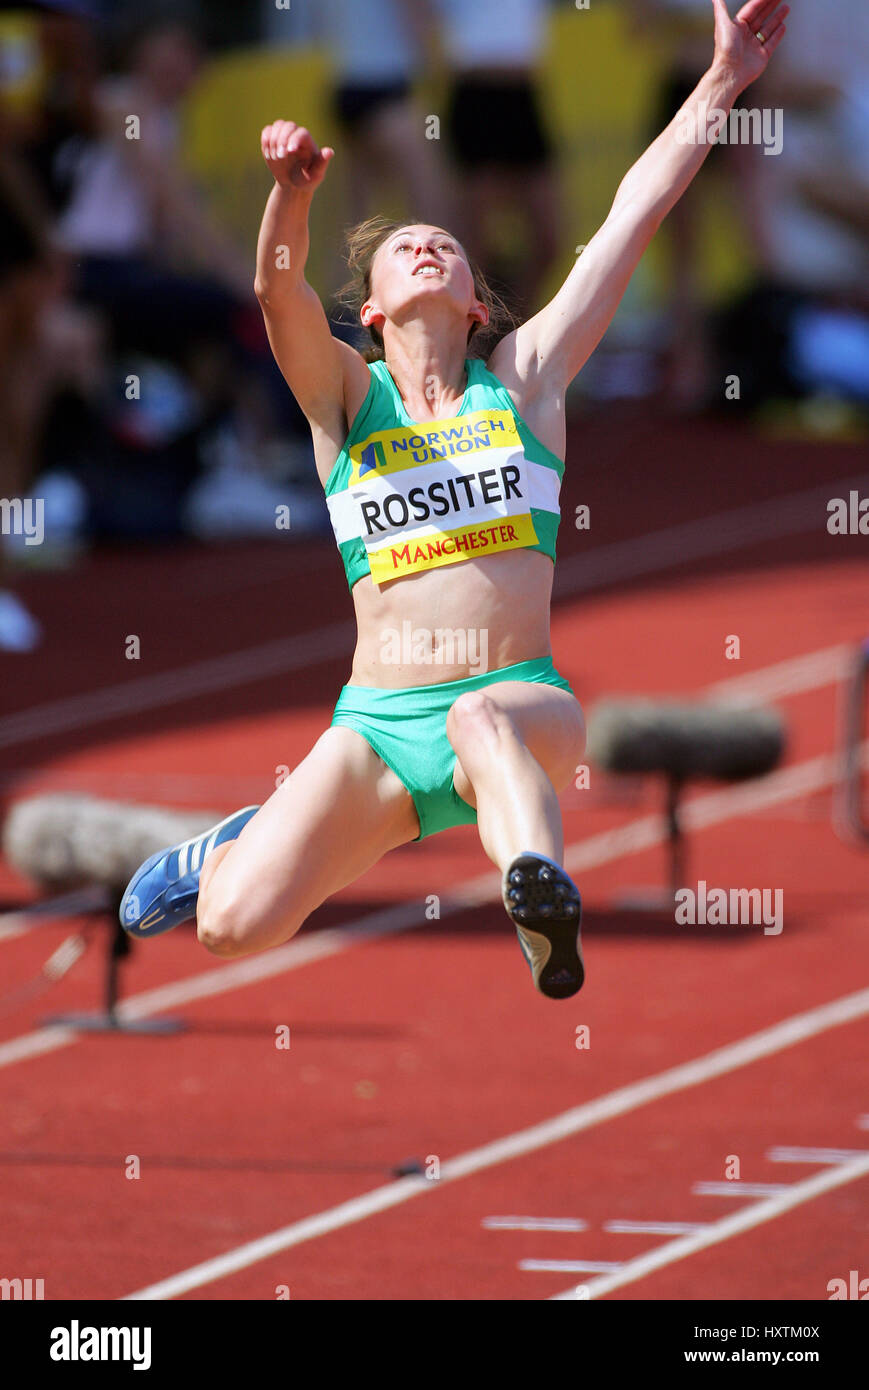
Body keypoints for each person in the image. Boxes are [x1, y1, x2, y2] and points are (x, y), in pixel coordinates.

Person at [119, 0, 788, 1000]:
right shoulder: (346, 398)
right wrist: (291, 194)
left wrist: (722, 79)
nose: (427, 245)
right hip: (376, 727)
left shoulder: (524, 378)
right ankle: (244, 841)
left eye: (446, 243)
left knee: (479, 714)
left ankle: (538, 902)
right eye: (404, 247)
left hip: (518, 708)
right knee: (228, 927)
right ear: (374, 309)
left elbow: (629, 217)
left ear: (478, 302)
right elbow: (277, 294)